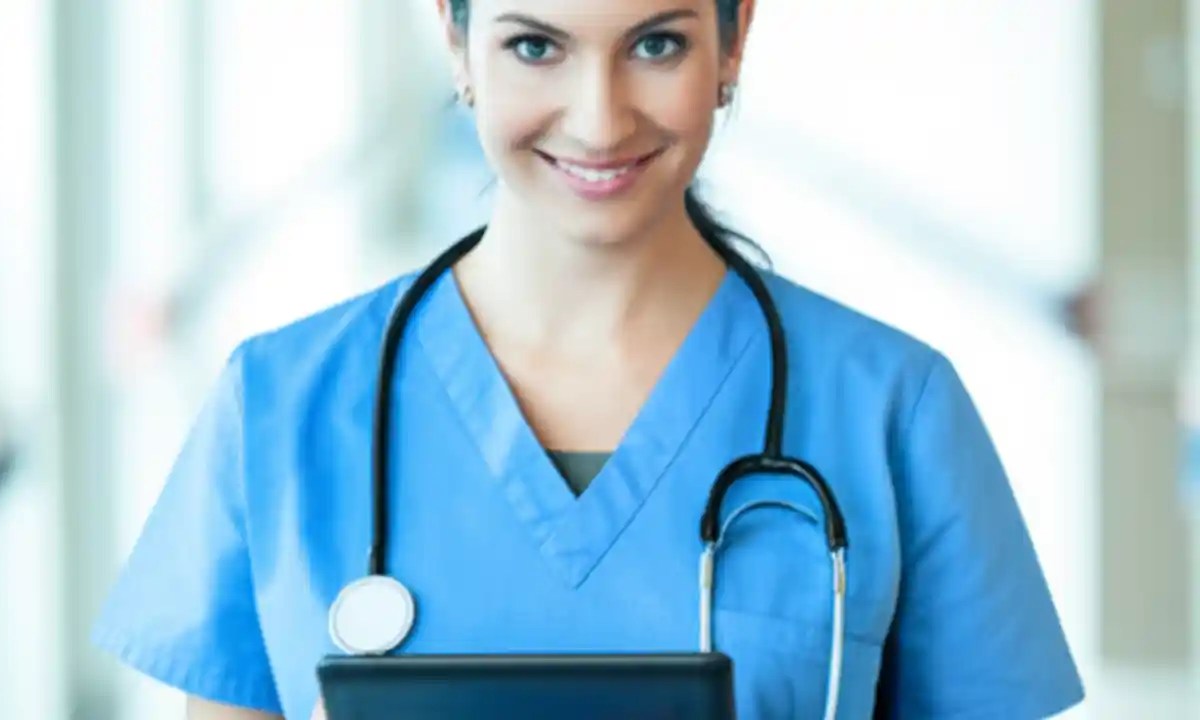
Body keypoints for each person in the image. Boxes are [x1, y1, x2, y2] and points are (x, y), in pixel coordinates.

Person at [90, 1, 1086, 718]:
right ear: (455, 41)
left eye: (655, 44)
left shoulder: (891, 410)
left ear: (734, 42)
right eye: (535, 45)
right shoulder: (278, 405)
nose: (599, 118)